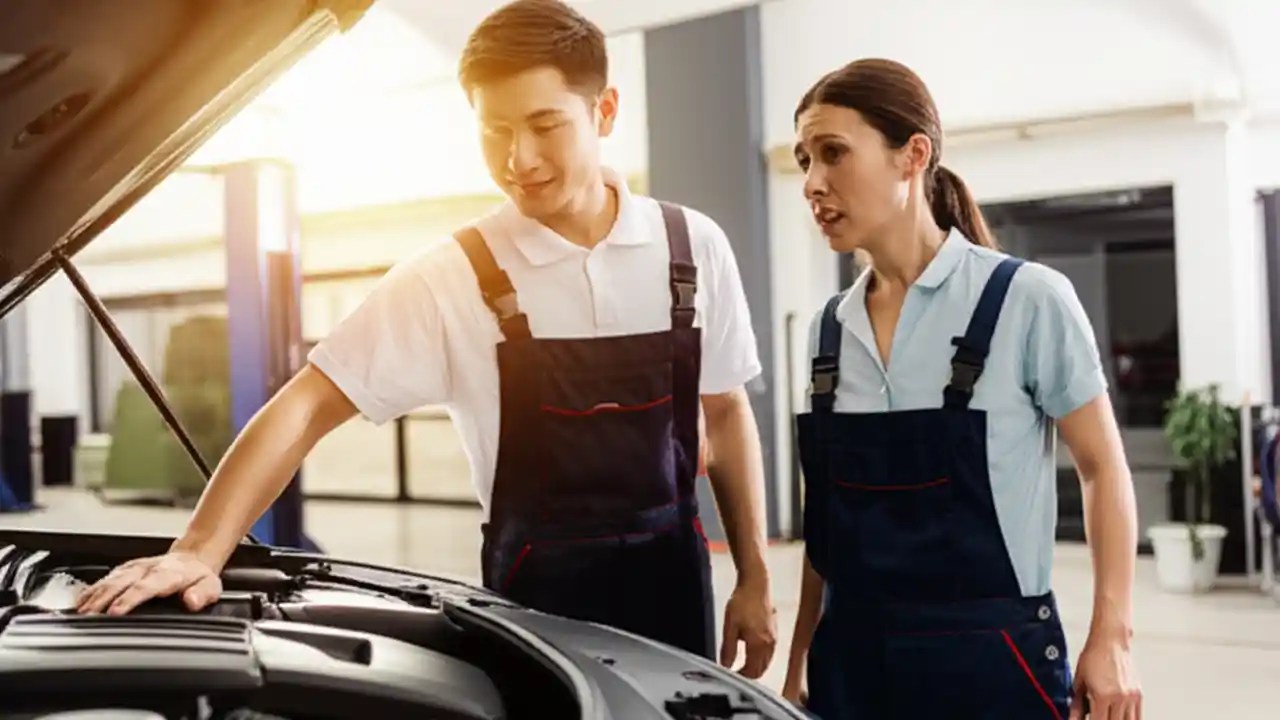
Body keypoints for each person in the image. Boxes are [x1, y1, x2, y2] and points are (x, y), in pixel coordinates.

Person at [75, 0, 778, 677]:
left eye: (545, 124)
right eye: (494, 130)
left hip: (676, 600)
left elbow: (723, 409)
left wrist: (753, 573)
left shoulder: (692, 248)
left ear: (605, 112)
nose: (519, 158)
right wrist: (200, 549)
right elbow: (306, 405)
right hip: (537, 619)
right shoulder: (455, 277)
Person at [778, 58, 1143, 719]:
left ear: (912, 156)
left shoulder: (1027, 301)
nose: (812, 182)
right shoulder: (828, 332)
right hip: (852, 667)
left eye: (833, 153)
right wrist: (800, 656)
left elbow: (1102, 468)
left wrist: (1111, 637)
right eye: (805, 158)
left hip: (994, 662)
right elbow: (826, 526)